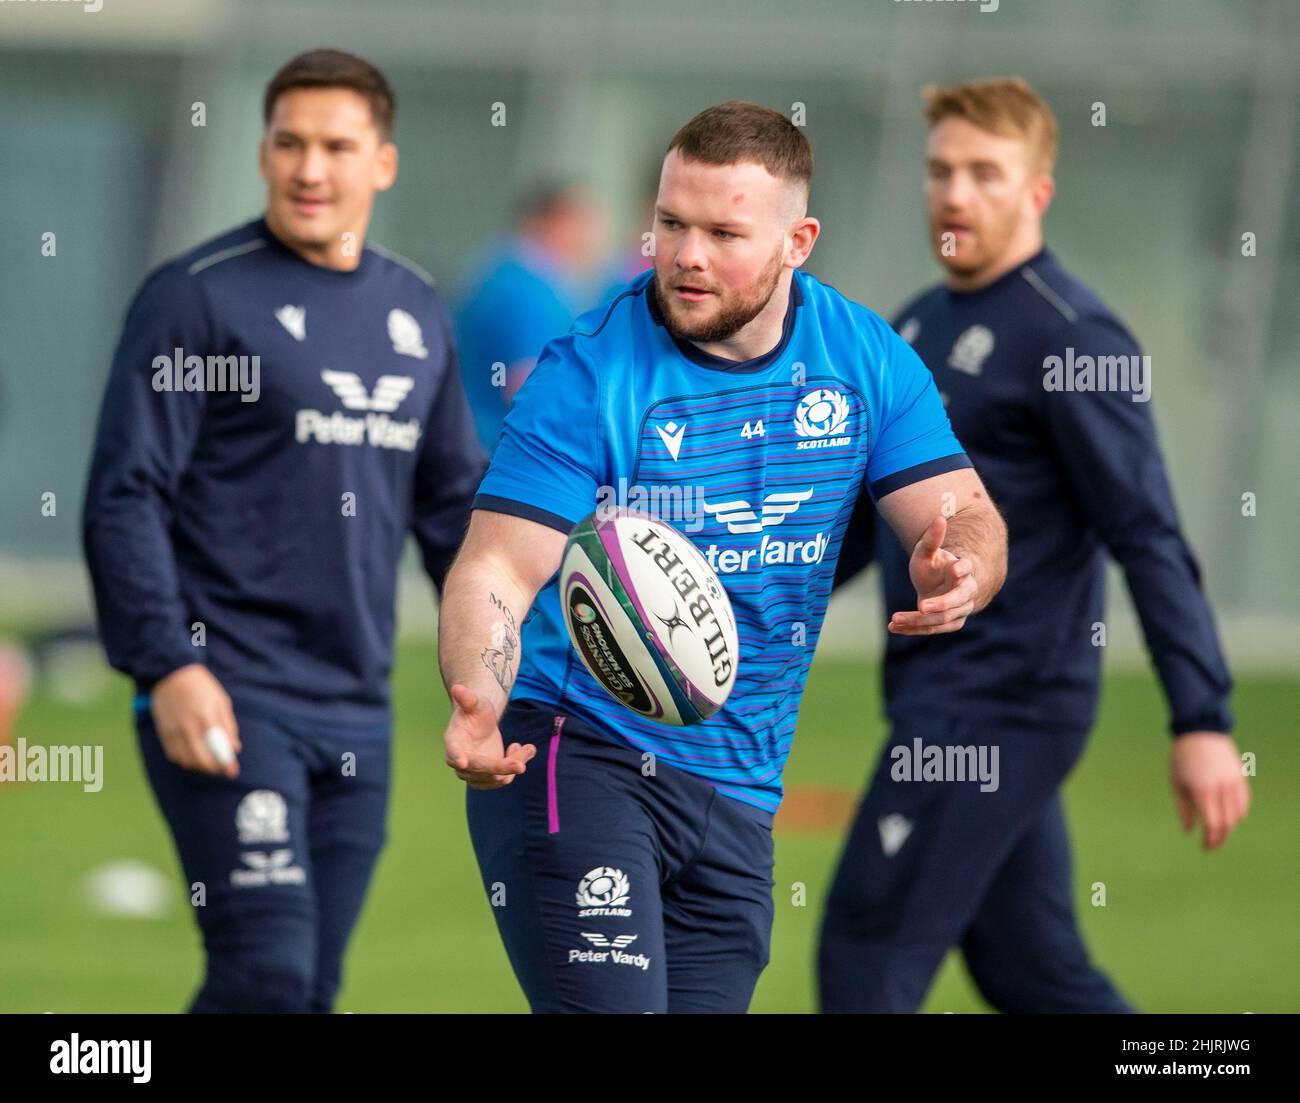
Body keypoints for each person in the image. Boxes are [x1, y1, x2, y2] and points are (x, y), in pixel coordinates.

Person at [436, 100, 1008, 1013]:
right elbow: (497, 567)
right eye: (669, 223)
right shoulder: (587, 373)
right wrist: (480, 689)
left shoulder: (864, 360)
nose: (685, 254)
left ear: (798, 240)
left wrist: (967, 566)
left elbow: (966, 511)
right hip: (576, 754)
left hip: (739, 787)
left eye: (722, 231)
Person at [818, 78, 1250, 1014]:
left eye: (985, 172)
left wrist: (1202, 718)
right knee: (1033, 971)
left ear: (1037, 192)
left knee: (863, 945)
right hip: (941, 691)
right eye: (940, 171)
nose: (955, 193)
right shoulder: (917, 323)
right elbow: (866, 516)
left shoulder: (1075, 337)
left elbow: (1147, 532)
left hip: (1002, 701)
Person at [82, 48, 485, 1012]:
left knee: (308, 989)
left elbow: (453, 510)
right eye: (290, 142)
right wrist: (168, 666)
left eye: (338, 147)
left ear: (382, 162)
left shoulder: (413, 305)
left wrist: (510, 663)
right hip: (227, 689)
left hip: (356, 703)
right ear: (261, 152)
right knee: (264, 971)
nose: (311, 169)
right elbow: (124, 494)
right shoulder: (198, 296)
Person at [455, 183, 605, 452]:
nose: (588, 239)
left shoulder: (498, 272)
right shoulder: (527, 291)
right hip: (498, 451)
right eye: (581, 226)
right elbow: (525, 386)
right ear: (556, 223)